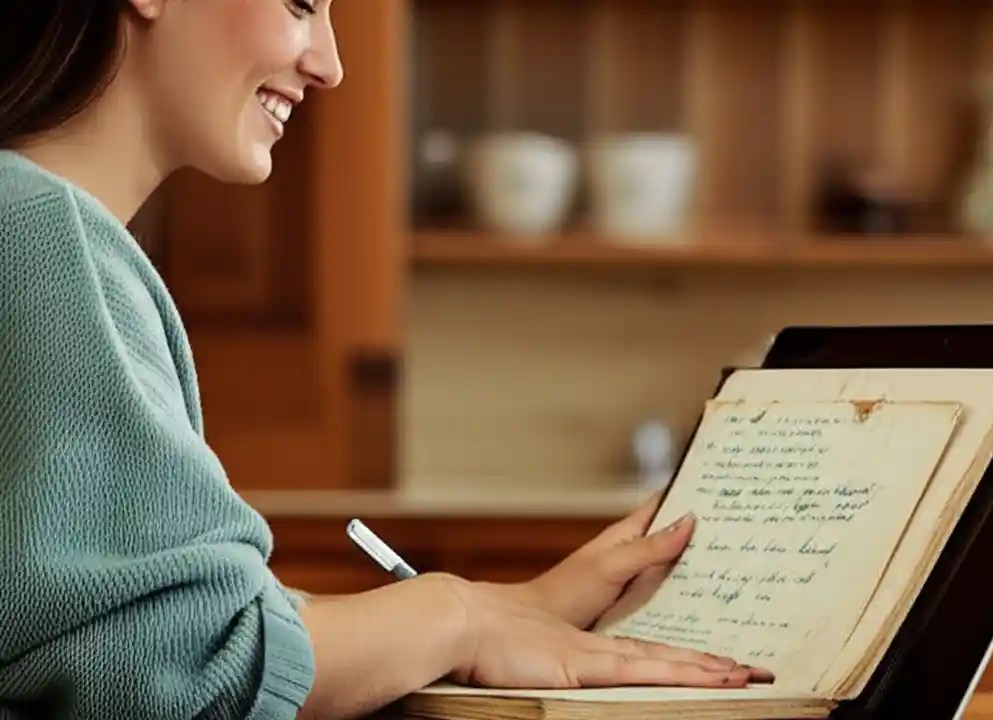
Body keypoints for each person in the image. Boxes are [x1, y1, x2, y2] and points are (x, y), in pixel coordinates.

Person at [0, 1, 769, 718]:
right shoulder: (39, 237)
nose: (330, 64)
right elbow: (174, 666)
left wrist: (512, 609)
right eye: (301, 3)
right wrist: (456, 617)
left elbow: (118, 621)